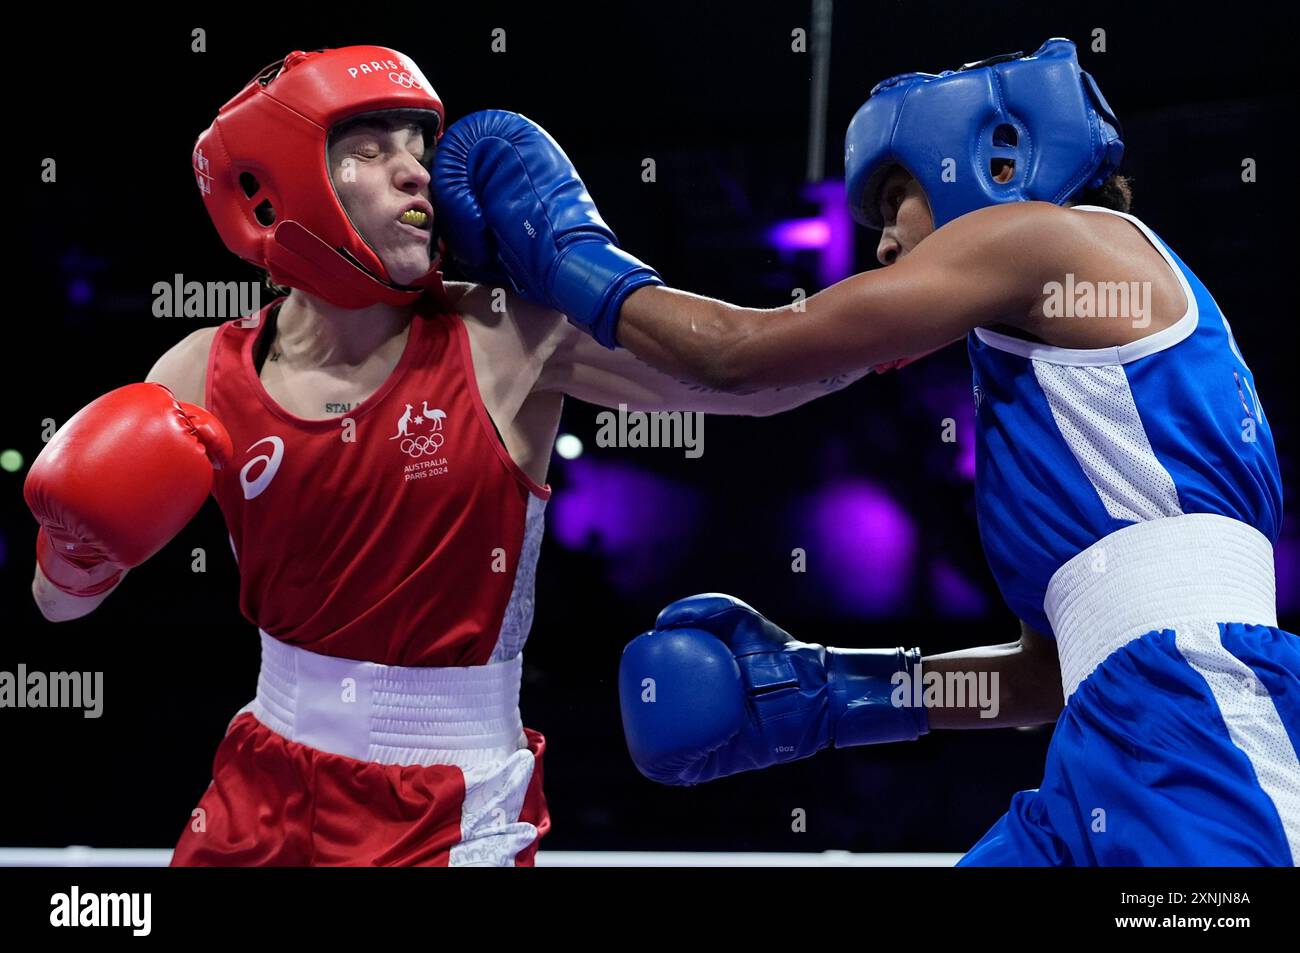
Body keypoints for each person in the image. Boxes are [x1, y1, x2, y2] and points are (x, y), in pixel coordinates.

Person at [433, 38, 1299, 865]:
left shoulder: (1048, 237)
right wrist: (831, 694)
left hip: (1198, 719)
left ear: (996, 160)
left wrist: (569, 255)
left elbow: (739, 353)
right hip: (1110, 736)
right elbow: (1047, 676)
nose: (883, 242)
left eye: (896, 203)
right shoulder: (1073, 359)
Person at [24, 44, 868, 866]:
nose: (416, 169)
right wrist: (77, 542)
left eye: (419, 147)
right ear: (275, 191)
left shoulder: (508, 336)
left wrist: (924, 305)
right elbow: (57, 609)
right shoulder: (199, 370)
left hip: (447, 805)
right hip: (260, 784)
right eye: (369, 149)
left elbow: (759, 379)